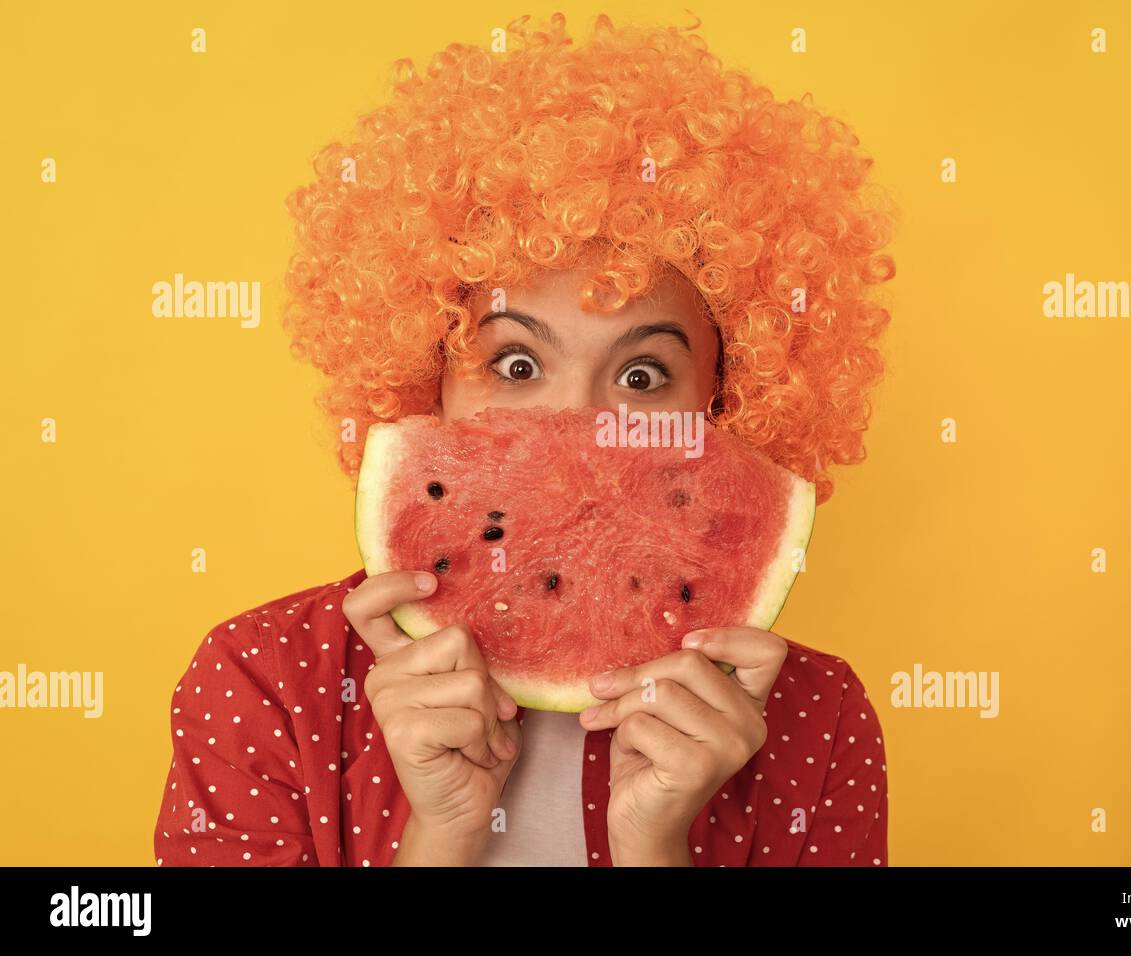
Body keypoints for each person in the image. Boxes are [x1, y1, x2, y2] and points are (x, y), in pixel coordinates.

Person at [154, 12, 895, 867]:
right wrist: (442, 837)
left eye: (642, 376)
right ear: (423, 375)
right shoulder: (266, 681)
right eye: (514, 366)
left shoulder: (815, 717)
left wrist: (656, 844)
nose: (574, 429)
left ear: (726, 405)